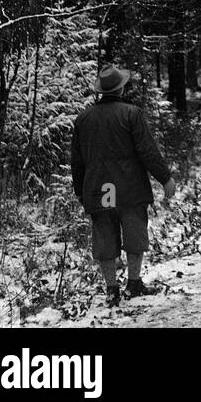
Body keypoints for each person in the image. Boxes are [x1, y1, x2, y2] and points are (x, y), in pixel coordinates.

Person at [71, 63, 176, 305]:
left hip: (99, 190)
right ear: (120, 89)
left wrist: (80, 192)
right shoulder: (131, 113)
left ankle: (111, 289)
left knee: (104, 239)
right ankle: (134, 283)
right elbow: (147, 151)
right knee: (134, 236)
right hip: (130, 189)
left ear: (101, 91)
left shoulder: (83, 119)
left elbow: (77, 162)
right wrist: (165, 178)